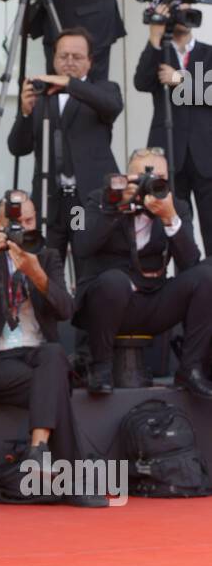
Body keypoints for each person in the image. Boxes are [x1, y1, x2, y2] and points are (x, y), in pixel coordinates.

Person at [0, 192, 81, 473]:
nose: (22, 227)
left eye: (29, 220)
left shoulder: (47, 257)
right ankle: (70, 475)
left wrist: (37, 275)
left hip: (38, 353)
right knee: (55, 386)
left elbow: (65, 310)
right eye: (15, 221)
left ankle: (38, 451)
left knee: (53, 355)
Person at [72, 148, 212, 397]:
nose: (150, 184)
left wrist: (169, 218)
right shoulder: (96, 199)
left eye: (159, 177)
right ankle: (101, 367)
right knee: (115, 282)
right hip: (107, 302)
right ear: (127, 178)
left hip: (153, 300)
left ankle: (191, 368)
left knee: (207, 275)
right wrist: (115, 207)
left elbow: (191, 262)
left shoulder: (177, 206)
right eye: (143, 177)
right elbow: (82, 245)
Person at [7, 28, 123, 259]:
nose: (69, 62)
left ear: (90, 61)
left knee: (85, 259)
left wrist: (69, 84)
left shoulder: (102, 89)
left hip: (83, 200)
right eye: (63, 56)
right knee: (48, 264)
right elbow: (18, 148)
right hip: (51, 200)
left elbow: (112, 105)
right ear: (54, 58)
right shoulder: (42, 94)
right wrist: (25, 112)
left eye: (77, 57)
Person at [133, 4, 212, 256]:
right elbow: (141, 83)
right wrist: (154, 37)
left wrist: (180, 80)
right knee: (174, 227)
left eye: (190, 12)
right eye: (180, 12)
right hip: (168, 154)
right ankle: (183, 285)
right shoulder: (159, 52)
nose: (185, 17)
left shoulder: (208, 53)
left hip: (206, 155)